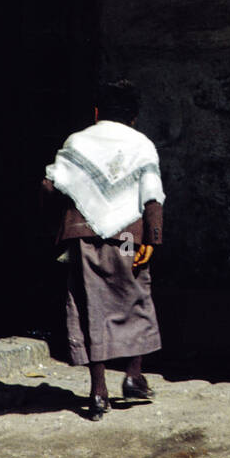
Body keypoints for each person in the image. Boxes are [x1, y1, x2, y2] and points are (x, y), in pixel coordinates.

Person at [42, 79, 164, 420]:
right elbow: (152, 195)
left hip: (85, 233)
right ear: (134, 117)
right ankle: (133, 376)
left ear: (97, 112)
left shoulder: (77, 142)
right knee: (135, 297)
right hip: (127, 236)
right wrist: (152, 239)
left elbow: (50, 185)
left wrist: (57, 226)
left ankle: (98, 392)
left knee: (90, 304)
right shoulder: (141, 143)